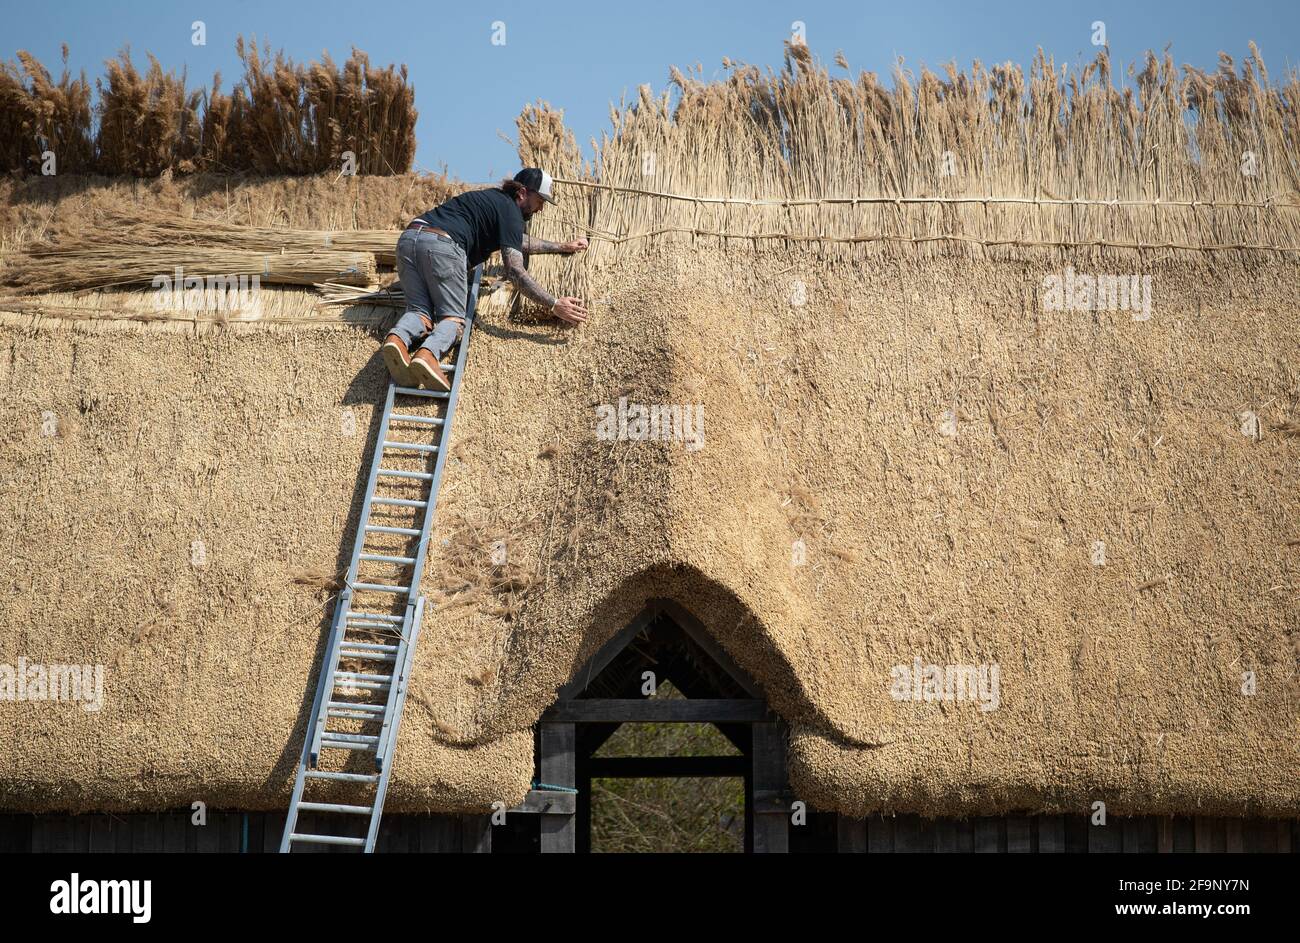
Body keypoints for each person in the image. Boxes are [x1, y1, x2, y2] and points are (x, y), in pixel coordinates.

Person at [381, 167, 589, 390]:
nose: (541, 209)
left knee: (420, 313)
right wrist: (554, 304)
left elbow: (519, 241)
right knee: (453, 319)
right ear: (522, 193)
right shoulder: (511, 211)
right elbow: (515, 270)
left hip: (409, 239)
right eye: (540, 200)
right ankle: (428, 355)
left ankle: (397, 339)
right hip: (443, 247)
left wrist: (561, 246)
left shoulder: (492, 201)